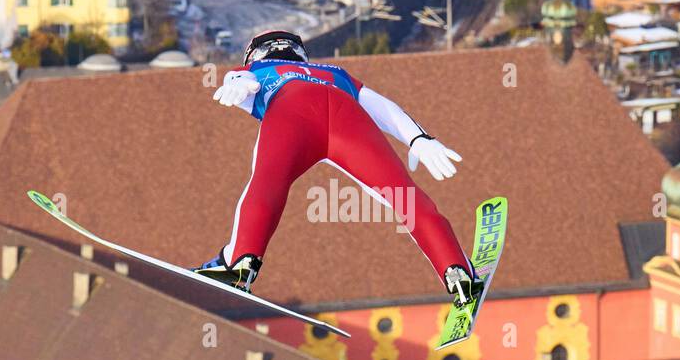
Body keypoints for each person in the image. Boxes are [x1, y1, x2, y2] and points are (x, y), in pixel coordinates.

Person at [195, 29, 477, 307]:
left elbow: (239, 78)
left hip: (291, 113)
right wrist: (418, 139)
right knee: (404, 196)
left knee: (267, 185)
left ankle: (241, 260)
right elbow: (384, 109)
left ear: (253, 54)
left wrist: (238, 81)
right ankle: (456, 270)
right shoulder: (333, 72)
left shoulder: (259, 69)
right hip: (346, 116)